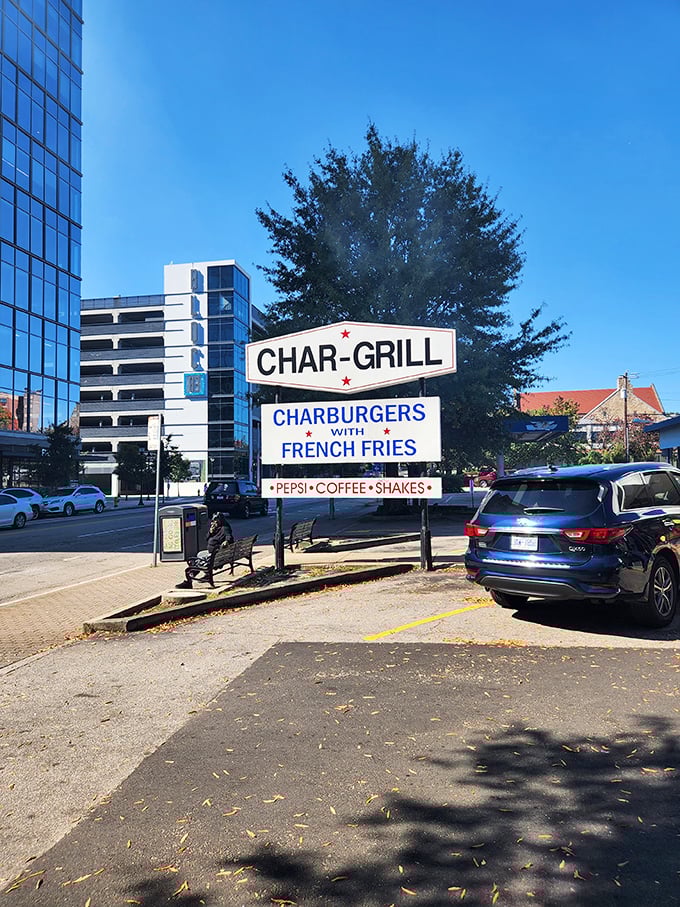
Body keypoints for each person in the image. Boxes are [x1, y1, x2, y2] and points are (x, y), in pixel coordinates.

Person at [176, 512, 233, 589]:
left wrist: (226, 542)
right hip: (215, 554)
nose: (214, 522)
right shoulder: (216, 529)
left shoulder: (224, 528)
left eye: (216, 521)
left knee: (197, 561)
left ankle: (189, 579)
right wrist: (210, 532)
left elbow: (229, 537)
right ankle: (202, 574)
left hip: (215, 555)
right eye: (213, 521)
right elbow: (206, 538)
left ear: (220, 520)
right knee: (199, 554)